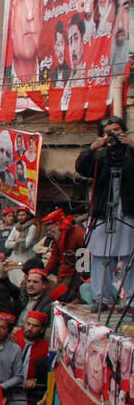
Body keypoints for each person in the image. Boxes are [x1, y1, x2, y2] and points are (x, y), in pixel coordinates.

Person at [75, 116, 134, 310]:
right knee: (100, 255)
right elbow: (81, 168)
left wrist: (131, 145)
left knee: (129, 255)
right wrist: (93, 148)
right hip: (103, 210)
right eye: (109, 132)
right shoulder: (99, 156)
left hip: (126, 209)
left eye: (117, 130)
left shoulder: (131, 152)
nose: (114, 135)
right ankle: (101, 298)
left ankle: (131, 299)